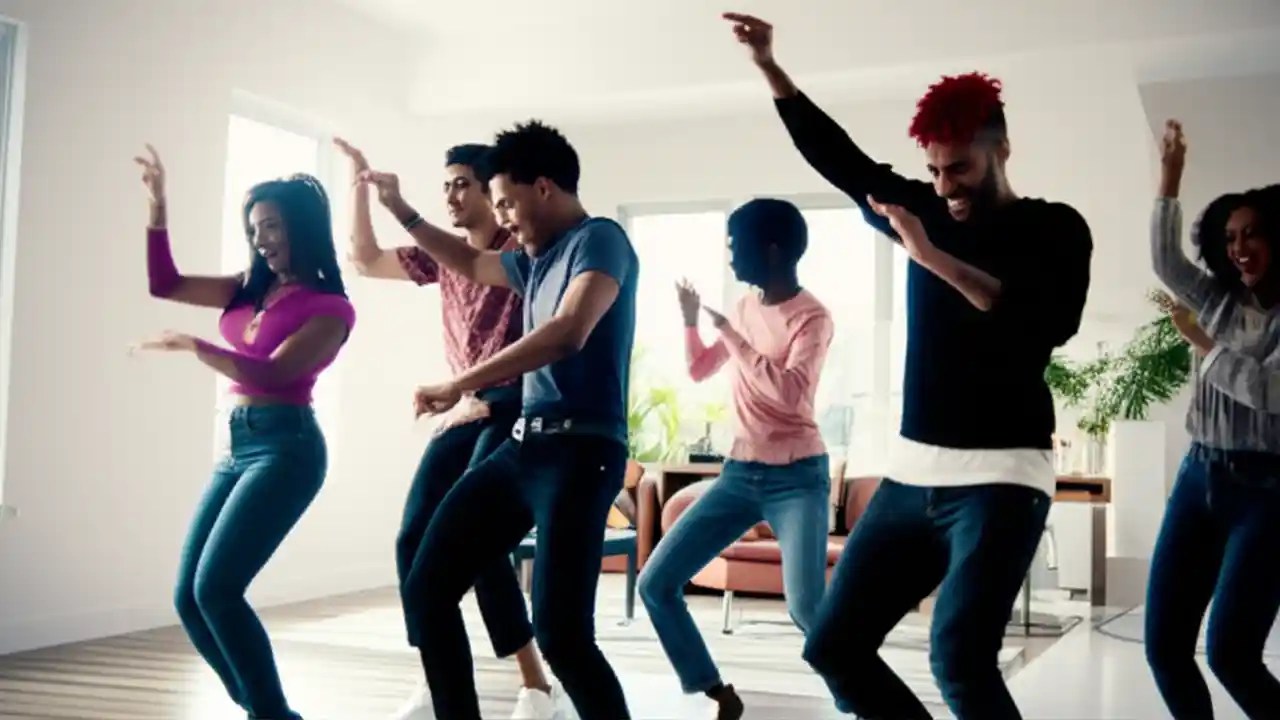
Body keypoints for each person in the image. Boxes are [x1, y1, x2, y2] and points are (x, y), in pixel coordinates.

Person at [721, 12, 1093, 720]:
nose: (945, 184)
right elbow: (841, 158)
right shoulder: (920, 207)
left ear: (1001, 150)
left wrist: (930, 257)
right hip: (913, 472)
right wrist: (771, 67)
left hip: (1003, 475)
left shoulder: (1052, 227)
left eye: (960, 167)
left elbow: (1046, 325)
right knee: (833, 645)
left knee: (957, 657)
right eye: (933, 169)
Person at [357, 120, 638, 720]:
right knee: (428, 589)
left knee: (564, 637)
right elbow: (461, 256)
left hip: (582, 454)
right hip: (524, 447)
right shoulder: (531, 263)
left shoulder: (600, 240)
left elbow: (566, 333)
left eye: (507, 202)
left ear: (544, 188)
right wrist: (401, 208)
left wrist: (457, 384)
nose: (504, 219)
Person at [332, 138, 558, 720]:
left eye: (463, 184)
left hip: (513, 407)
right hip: (465, 409)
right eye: (447, 186)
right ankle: (441, 678)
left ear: (493, 191)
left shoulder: (521, 252)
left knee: (476, 544)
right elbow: (364, 258)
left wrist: (468, 391)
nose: (453, 196)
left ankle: (536, 686)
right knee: (415, 540)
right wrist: (360, 188)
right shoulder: (443, 254)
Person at [133, 145, 356, 720]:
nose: (262, 239)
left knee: (217, 590)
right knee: (189, 597)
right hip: (238, 444)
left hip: (288, 448)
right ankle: (266, 711)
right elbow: (166, 283)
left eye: (273, 226)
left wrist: (197, 347)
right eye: (255, 228)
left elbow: (277, 371)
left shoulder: (330, 307)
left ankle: (271, 714)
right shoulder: (247, 288)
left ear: (302, 228)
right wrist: (159, 208)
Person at [638, 198, 833, 720]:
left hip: (798, 478)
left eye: (733, 245)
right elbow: (702, 369)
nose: (729, 257)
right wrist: (691, 324)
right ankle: (715, 691)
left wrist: (729, 331)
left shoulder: (811, 317)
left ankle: (860, 700)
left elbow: (790, 395)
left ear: (769, 249)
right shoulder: (745, 308)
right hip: (740, 473)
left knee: (809, 609)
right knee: (655, 584)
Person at [1145, 119, 1280, 720]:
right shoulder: (1221, 297)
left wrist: (1205, 346)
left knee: (1231, 654)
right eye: (1229, 237)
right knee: (1165, 649)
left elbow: (1269, 392)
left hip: (1269, 492)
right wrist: (1170, 177)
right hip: (1199, 477)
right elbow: (1166, 261)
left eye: (1252, 234)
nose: (1239, 247)